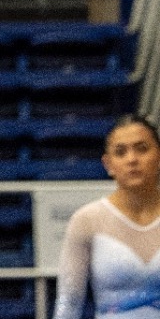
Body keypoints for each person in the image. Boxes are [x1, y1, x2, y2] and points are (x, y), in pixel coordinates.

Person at [53, 115, 160, 319]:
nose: (132, 159)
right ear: (108, 164)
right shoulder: (87, 221)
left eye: (142, 148)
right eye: (121, 152)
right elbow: (68, 302)